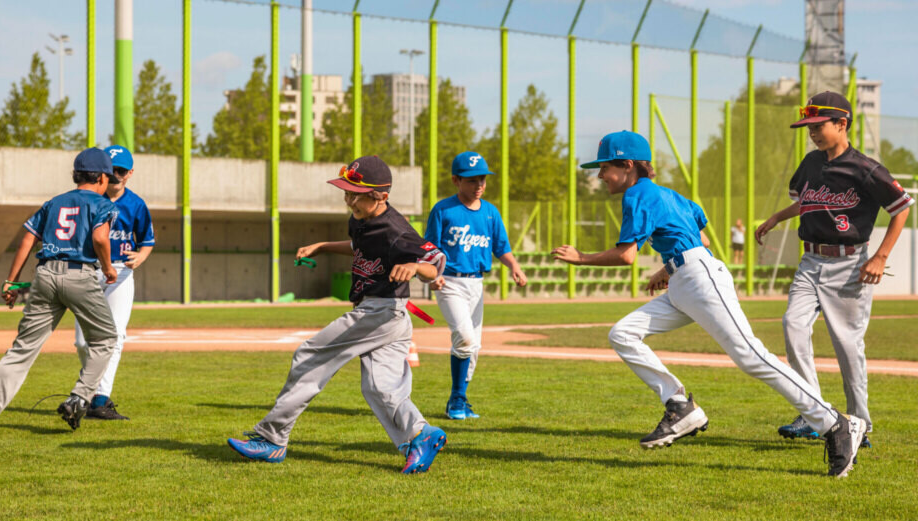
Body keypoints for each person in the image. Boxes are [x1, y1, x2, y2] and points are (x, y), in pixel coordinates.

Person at [551, 130, 866, 478]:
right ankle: (679, 404)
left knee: (752, 357)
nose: (600, 176)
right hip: (687, 279)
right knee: (623, 333)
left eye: (605, 168)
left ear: (627, 166)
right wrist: (668, 268)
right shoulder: (671, 196)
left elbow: (626, 256)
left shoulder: (637, 194)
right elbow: (699, 237)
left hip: (700, 279)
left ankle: (835, 423)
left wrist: (582, 258)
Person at [226, 156, 449, 474]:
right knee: (379, 387)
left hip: (380, 310)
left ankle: (272, 439)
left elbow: (435, 261)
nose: (349, 199)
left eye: (355, 194)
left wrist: (416, 267)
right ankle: (420, 434)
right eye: (346, 191)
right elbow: (360, 246)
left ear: (381, 196)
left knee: (310, 356)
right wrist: (323, 246)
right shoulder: (360, 219)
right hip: (387, 315)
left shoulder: (397, 230)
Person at [757, 91, 912, 449]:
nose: (812, 132)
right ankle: (815, 414)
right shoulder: (811, 163)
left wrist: (881, 257)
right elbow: (807, 202)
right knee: (792, 326)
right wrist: (778, 217)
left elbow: (901, 207)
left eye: (818, 125)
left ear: (842, 124)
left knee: (846, 346)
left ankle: (860, 423)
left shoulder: (866, 168)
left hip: (849, 265)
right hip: (810, 261)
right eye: (809, 126)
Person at [0, 148, 119, 439]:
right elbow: (99, 237)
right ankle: (79, 398)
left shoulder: (54, 202)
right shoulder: (103, 204)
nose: (108, 182)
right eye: (107, 177)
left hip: (44, 274)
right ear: (99, 177)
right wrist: (108, 268)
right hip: (79, 276)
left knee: (22, 350)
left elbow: (28, 238)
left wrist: (11, 281)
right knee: (107, 338)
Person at [425, 151, 527, 420]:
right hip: (450, 282)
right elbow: (429, 248)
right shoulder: (443, 210)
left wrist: (514, 266)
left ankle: (458, 398)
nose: (479, 184)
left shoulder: (490, 213)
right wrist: (432, 275)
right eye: (471, 180)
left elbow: (501, 247)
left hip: (477, 283)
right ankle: (458, 400)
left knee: (474, 346)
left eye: (482, 179)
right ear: (456, 180)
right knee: (465, 338)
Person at [74, 145, 155, 420]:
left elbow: (147, 241)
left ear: (130, 173)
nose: (116, 174)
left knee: (116, 335)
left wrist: (140, 258)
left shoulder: (136, 204)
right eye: (111, 170)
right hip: (88, 271)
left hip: (120, 272)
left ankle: (99, 398)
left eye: (121, 170)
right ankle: (89, 390)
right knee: (83, 342)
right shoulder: (88, 200)